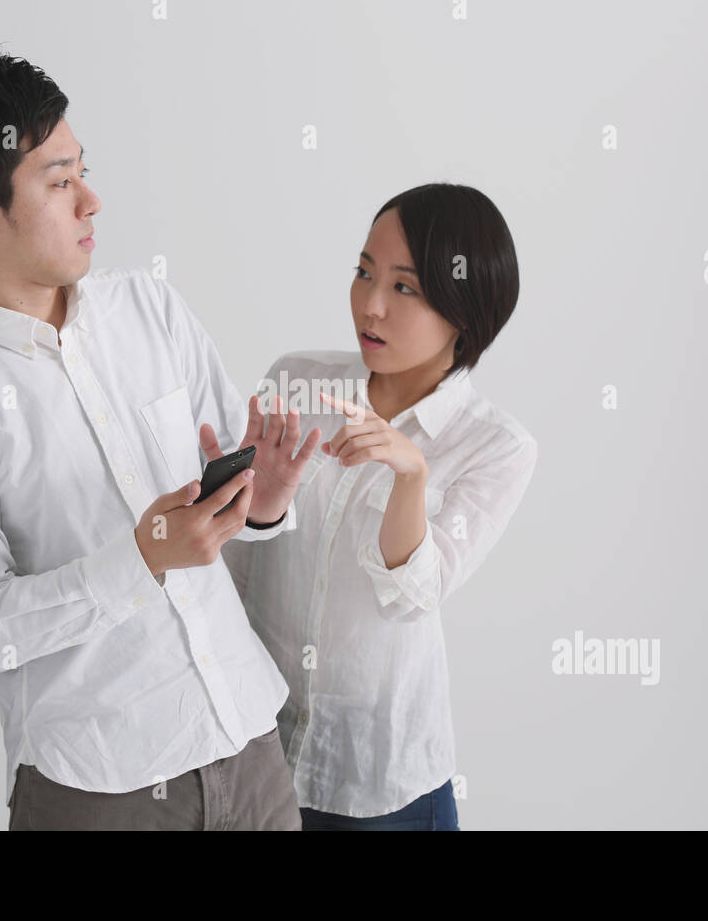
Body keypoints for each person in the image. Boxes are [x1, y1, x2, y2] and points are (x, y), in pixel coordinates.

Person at [0, 40, 321, 830]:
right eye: (60, 181)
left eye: (83, 169)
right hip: (96, 789)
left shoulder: (149, 306)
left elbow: (221, 495)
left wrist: (263, 501)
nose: (92, 201)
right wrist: (140, 558)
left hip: (248, 745)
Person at [221, 183, 537, 830]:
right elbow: (235, 570)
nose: (369, 305)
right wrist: (252, 508)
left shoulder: (495, 446)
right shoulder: (297, 379)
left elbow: (412, 595)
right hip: (256, 759)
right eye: (364, 272)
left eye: (404, 288)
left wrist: (410, 475)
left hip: (380, 782)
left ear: (465, 314)